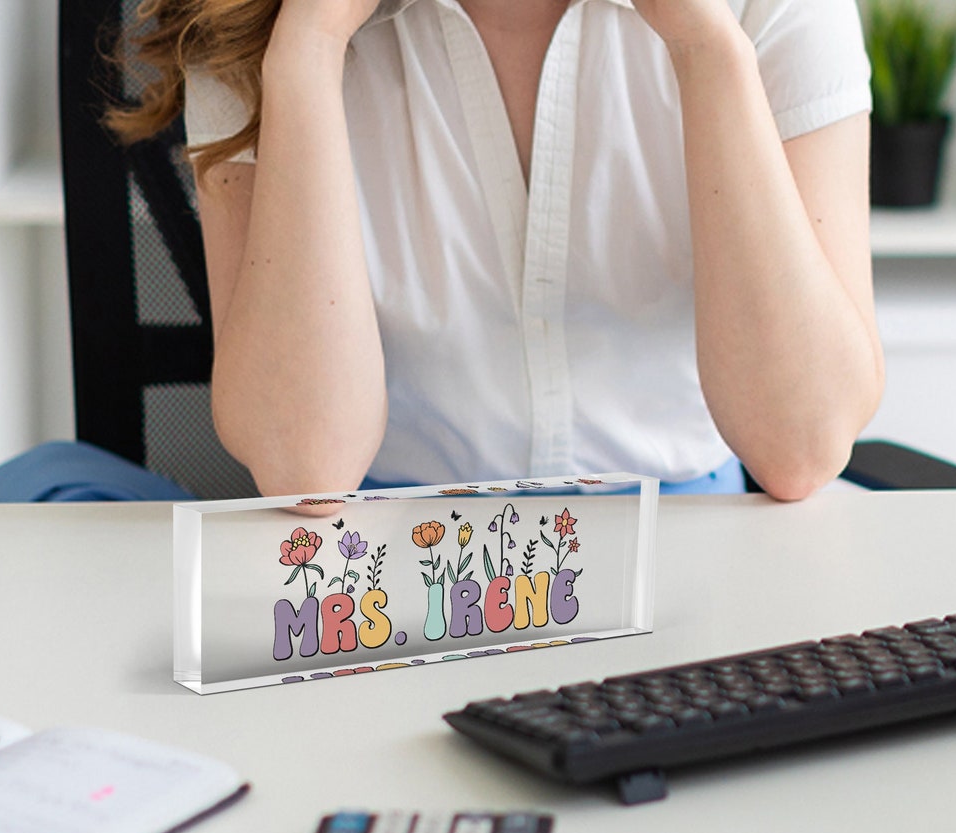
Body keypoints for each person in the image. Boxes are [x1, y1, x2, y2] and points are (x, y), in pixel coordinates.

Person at [106, 0, 884, 501]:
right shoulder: (251, 23)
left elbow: (801, 448)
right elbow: (304, 471)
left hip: (687, 550)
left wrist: (706, 43)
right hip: (398, 575)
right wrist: (309, 46)